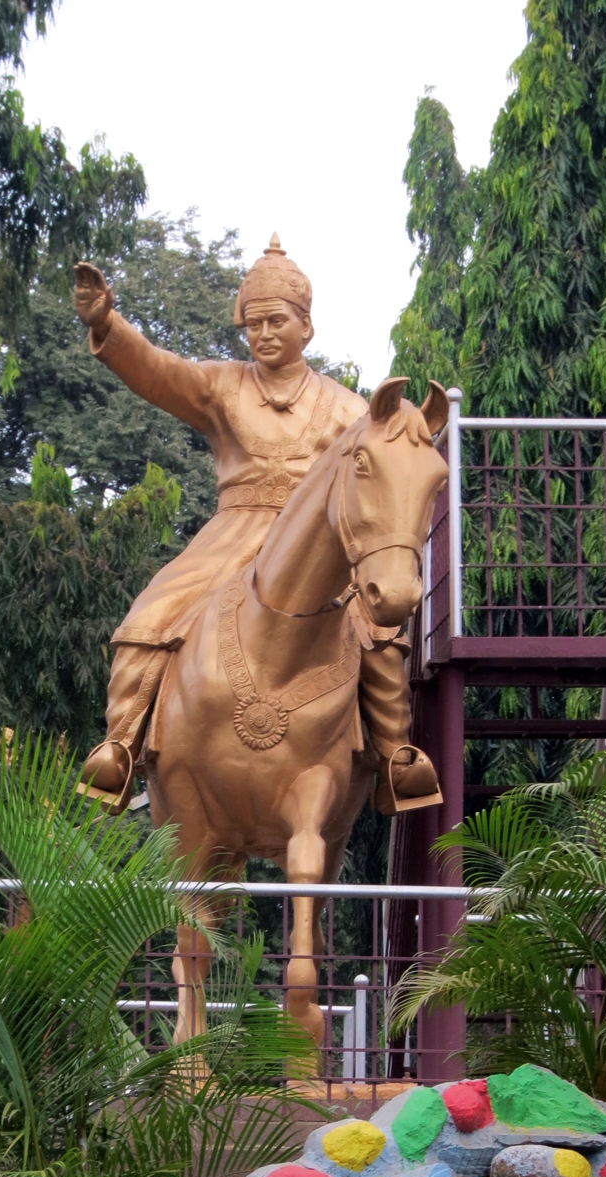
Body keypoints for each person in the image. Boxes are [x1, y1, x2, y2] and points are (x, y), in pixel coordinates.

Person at [74, 234, 440, 813]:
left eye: (276, 322)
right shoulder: (222, 387)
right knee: (149, 618)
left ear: (306, 327)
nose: (264, 334)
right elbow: (159, 371)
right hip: (231, 535)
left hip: (317, 551)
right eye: (253, 324)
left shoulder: (346, 408)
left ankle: (396, 758)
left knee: (377, 636)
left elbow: (390, 450)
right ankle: (120, 746)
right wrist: (109, 326)